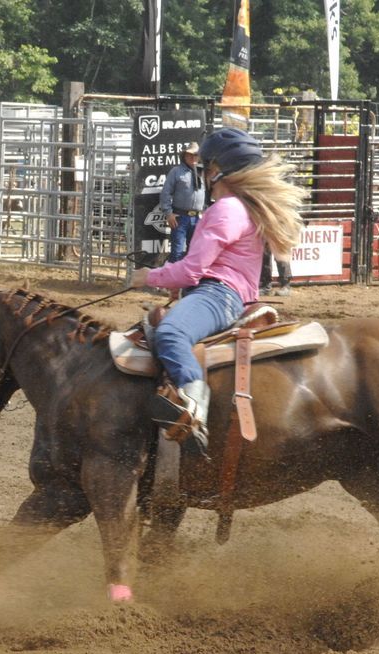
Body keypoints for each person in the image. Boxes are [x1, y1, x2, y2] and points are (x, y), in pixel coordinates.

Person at [130, 128, 304, 453]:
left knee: (169, 334)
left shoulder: (227, 210)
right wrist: (180, 289)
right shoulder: (240, 208)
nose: (205, 174)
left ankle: (194, 406)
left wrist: (149, 276)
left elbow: (192, 268)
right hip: (220, 293)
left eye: (207, 167)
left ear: (219, 170)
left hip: (218, 296)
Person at [159, 142, 206, 263]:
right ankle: (173, 280)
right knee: (177, 251)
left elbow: (208, 195)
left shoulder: (203, 173)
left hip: (197, 217)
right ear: (184, 156)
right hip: (180, 217)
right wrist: (168, 213)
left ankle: (189, 280)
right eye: (190, 155)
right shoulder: (176, 171)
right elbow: (166, 192)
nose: (193, 157)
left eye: (195, 155)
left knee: (195, 251)